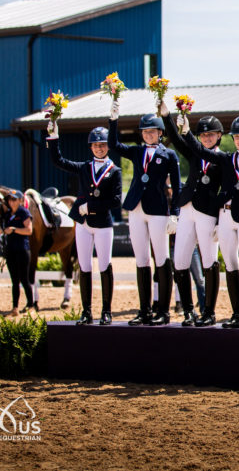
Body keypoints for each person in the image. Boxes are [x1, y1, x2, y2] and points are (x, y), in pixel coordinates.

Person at [179, 114, 239, 328]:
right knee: (230, 265)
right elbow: (201, 151)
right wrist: (186, 132)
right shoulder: (227, 159)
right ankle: (236, 312)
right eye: (236, 137)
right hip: (225, 216)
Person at [108, 100, 181, 326]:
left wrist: (175, 213)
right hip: (136, 209)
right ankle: (144, 309)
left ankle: (164, 311)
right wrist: (113, 120)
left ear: (160, 133)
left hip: (158, 210)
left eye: (152, 131)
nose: (148, 135)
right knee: (141, 260)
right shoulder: (137, 151)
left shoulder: (169, 155)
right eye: (145, 132)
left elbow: (177, 186)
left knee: (161, 258)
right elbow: (113, 144)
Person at [47, 122, 122, 325]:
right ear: (90, 147)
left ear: (108, 146)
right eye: (96, 145)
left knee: (105, 266)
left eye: (103, 145)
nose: (99, 148)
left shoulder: (114, 170)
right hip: (83, 224)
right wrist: (53, 138)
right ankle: (86, 311)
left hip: (103, 225)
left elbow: (116, 201)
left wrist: (91, 206)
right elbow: (58, 160)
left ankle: (106, 311)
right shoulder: (84, 167)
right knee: (85, 266)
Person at [159, 106, 224, 326]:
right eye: (203, 135)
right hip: (186, 208)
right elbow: (177, 142)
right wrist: (167, 117)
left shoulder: (224, 159)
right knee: (180, 262)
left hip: (207, 212)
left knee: (209, 262)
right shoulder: (195, 154)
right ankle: (188, 311)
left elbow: (224, 190)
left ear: (219, 136)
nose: (206, 138)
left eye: (210, 134)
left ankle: (209, 312)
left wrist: (218, 218)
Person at [1, 190, 34, 316]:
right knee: (14, 280)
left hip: (22, 249)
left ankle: (31, 305)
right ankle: (15, 307)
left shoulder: (24, 212)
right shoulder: (8, 214)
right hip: (11, 250)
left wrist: (14, 230)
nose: (11, 202)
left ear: (20, 200)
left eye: (14, 199)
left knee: (24, 279)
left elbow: (29, 230)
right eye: (9, 200)